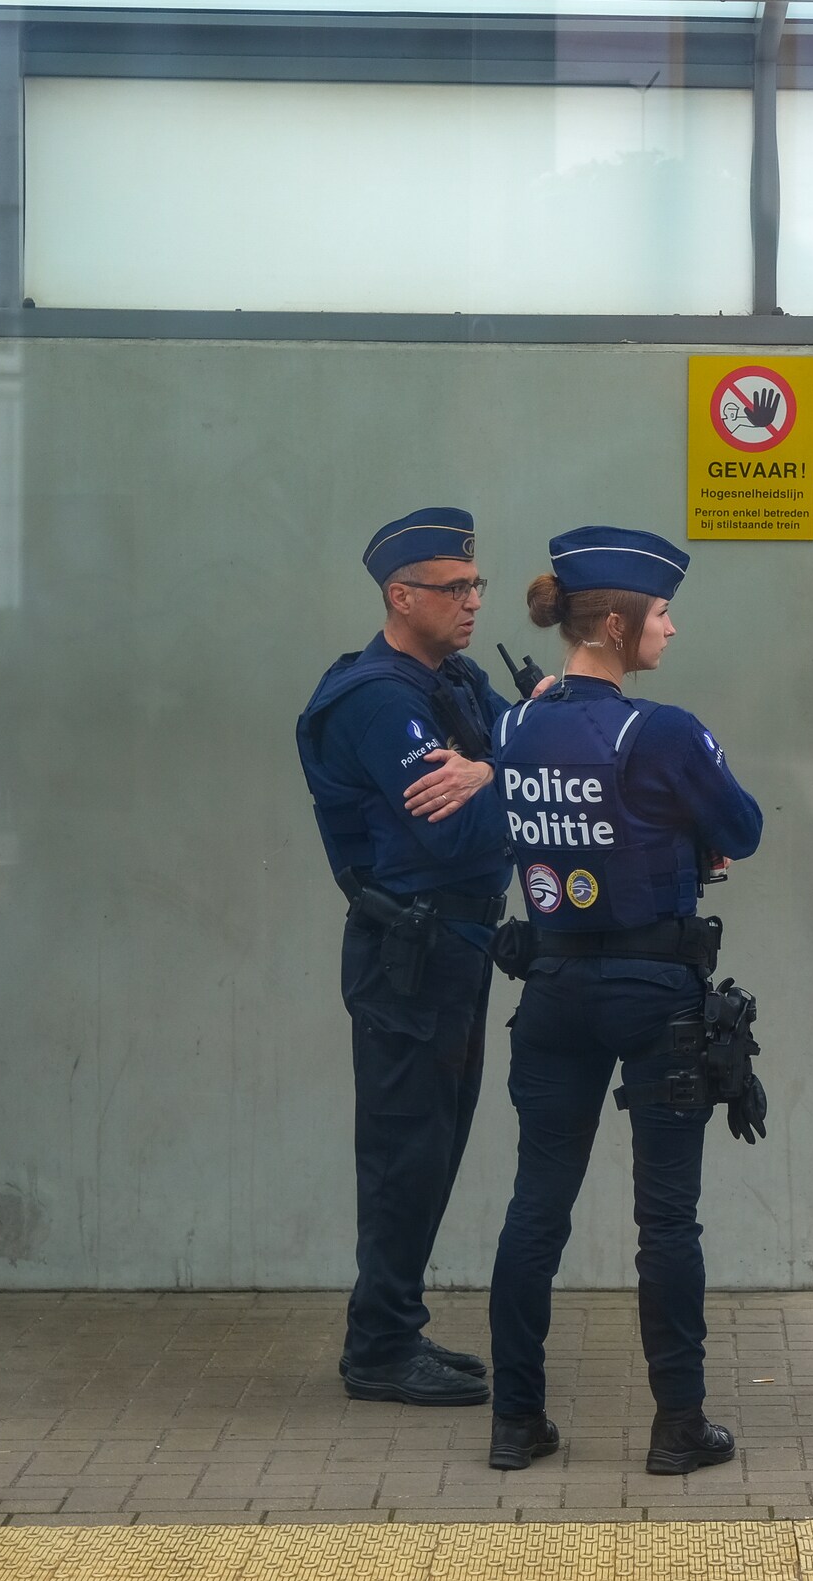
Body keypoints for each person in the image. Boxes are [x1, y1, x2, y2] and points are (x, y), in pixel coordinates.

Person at [482, 526, 765, 1476]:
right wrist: (690, 839)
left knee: (535, 1207)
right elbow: (743, 828)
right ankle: (678, 1426)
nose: (672, 629)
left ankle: (516, 1421)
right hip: (655, 995)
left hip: (553, 987)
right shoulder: (664, 731)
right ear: (615, 624)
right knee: (667, 1221)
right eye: (662, 614)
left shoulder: (513, 727)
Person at [295, 506, 522, 1405]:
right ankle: (381, 1347)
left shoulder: (453, 678)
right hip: (413, 949)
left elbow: (529, 759)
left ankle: (393, 1325)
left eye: (475, 584)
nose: (473, 601)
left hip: (455, 944)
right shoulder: (381, 699)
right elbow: (455, 827)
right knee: (405, 1151)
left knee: (435, 1145)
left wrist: (495, 767)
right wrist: (507, 771)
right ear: (400, 595)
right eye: (454, 587)